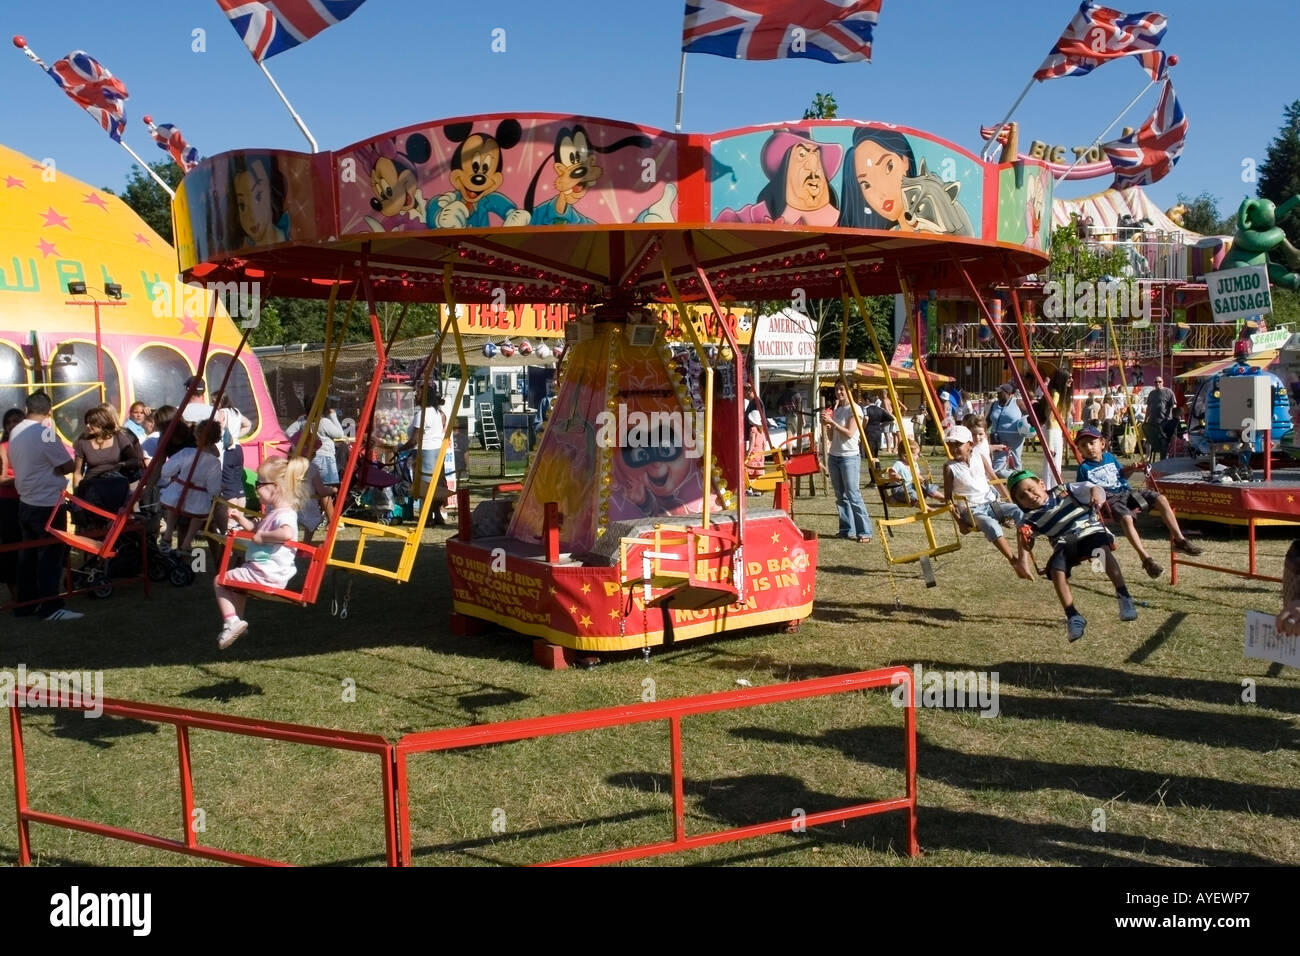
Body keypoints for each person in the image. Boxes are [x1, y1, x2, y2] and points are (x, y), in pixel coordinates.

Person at [1008, 468, 1137, 642]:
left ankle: (1124, 596)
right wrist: (1026, 542)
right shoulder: (1030, 518)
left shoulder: (1064, 491)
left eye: (1031, 489)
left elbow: (1093, 487)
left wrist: (1096, 497)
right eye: (1022, 496)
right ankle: (1073, 616)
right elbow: (1025, 539)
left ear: (1041, 484)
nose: (1030, 496)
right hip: (1065, 542)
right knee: (1055, 570)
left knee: (1100, 550)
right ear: (1018, 502)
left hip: (1088, 529)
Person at [1074, 426, 1203, 577]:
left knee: (1161, 498)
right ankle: (1146, 559)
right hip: (1109, 500)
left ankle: (1179, 540)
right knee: (1127, 518)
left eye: (1091, 443)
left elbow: (1121, 476)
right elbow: (1082, 491)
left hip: (1126, 493)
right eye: (1083, 446)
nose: (1089, 448)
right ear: (1080, 451)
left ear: (1102, 444)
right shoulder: (1083, 469)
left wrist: (1130, 469)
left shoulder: (1110, 458)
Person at [213, 456, 309, 649]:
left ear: (276, 487)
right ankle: (238, 623)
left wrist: (263, 537)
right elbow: (255, 530)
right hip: (265, 570)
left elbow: (287, 533)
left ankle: (231, 621)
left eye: (259, 484)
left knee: (219, 581)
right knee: (236, 586)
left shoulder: (285, 514)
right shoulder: (274, 512)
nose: (256, 488)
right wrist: (241, 519)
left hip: (266, 572)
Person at [7, 391, 82, 621]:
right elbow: (67, 465)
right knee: (51, 555)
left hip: (26, 500)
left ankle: (25, 604)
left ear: (27, 407)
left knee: (27, 556)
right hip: (47, 502)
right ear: (49, 411)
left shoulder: (16, 431)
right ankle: (50, 606)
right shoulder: (46, 433)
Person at [943, 425, 1025, 568]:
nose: (953, 448)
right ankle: (1013, 561)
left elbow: (994, 478)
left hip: (991, 502)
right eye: (950, 445)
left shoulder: (979, 457)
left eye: (958, 444)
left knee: (1019, 511)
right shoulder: (950, 467)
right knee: (990, 524)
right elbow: (948, 498)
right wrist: (959, 522)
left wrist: (1009, 500)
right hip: (971, 509)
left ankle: (1023, 556)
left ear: (970, 444)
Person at [71, 405, 143, 525]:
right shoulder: (82, 442)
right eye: (86, 422)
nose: (87, 426)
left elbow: (135, 460)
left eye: (91, 423)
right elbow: (78, 473)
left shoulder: (119, 438)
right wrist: (76, 496)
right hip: (92, 484)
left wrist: (121, 464)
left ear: (102, 423)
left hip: (116, 482)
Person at [158, 421, 222, 552]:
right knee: (199, 515)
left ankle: (168, 533)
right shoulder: (214, 462)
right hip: (198, 500)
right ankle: (187, 543)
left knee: (174, 506)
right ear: (216, 439)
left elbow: (166, 471)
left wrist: (177, 476)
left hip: (177, 493)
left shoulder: (186, 452)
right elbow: (214, 488)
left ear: (196, 435)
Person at [821, 382, 873, 542]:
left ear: (849, 390)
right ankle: (846, 529)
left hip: (849, 457)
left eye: (842, 389)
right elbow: (831, 437)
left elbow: (850, 433)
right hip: (834, 455)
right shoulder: (837, 409)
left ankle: (864, 532)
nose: (838, 392)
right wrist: (827, 424)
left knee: (853, 495)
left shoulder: (855, 409)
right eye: (837, 389)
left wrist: (833, 423)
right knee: (840, 496)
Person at [404, 384, 456, 525]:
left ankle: (426, 518)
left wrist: (401, 448)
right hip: (438, 452)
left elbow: (414, 439)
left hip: (426, 452)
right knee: (436, 485)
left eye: (419, 394)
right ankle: (437, 515)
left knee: (425, 486)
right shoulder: (438, 413)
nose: (416, 396)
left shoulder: (422, 414)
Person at [1, 408, 24, 603]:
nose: (12, 425)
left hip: (31, 500)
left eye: (17, 420)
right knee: (11, 547)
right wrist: (19, 480)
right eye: (9, 422)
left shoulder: (33, 443)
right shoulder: (3, 447)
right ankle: (16, 595)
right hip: (8, 502)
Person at [886, 437, 943, 506]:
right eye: (916, 454)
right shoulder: (899, 464)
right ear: (905, 456)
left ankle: (942, 498)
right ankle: (922, 506)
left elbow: (917, 475)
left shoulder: (914, 464)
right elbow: (891, 472)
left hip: (910, 486)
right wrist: (895, 475)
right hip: (900, 489)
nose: (918, 457)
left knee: (926, 487)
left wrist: (923, 480)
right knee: (912, 494)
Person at [986, 383, 1027, 477]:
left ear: (1008, 392)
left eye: (1000, 392)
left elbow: (1028, 416)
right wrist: (983, 432)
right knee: (997, 464)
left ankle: (1017, 480)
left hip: (1015, 439)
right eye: (997, 392)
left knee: (1015, 462)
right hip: (996, 438)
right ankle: (999, 482)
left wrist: (1027, 428)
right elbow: (988, 420)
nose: (998, 394)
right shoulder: (994, 404)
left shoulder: (1018, 402)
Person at [1041, 368, 1073, 490]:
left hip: (1057, 430)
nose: (1071, 380)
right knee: (1052, 465)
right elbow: (1049, 418)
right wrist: (1049, 444)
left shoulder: (1060, 394)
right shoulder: (1055, 394)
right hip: (1052, 431)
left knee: (1056, 465)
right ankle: (1050, 489)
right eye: (1068, 377)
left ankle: (1054, 488)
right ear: (1061, 379)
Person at [314, 396, 350, 488]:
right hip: (325, 458)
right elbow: (339, 433)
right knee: (329, 488)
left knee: (320, 487)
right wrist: (333, 415)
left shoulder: (309, 421)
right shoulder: (323, 422)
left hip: (316, 457)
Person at [1143, 375, 1177, 462]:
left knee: (1164, 442)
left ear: (1163, 382)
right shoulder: (1152, 393)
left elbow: (1174, 406)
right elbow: (1148, 407)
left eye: (1159, 382)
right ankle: (1147, 457)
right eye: (1156, 382)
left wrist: (1173, 418)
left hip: (1165, 422)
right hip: (1153, 421)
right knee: (1150, 440)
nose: (1157, 383)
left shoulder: (1168, 392)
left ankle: (1163, 461)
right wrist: (1145, 419)